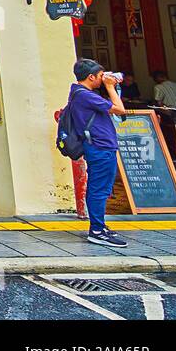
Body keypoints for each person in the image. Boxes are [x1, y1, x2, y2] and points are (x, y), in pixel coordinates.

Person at [64, 59, 129, 248]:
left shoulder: (81, 94)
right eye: (101, 76)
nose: (103, 78)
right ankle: (97, 230)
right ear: (91, 77)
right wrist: (110, 87)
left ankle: (99, 226)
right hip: (99, 147)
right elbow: (119, 109)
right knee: (99, 190)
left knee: (101, 188)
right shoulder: (85, 95)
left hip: (101, 146)